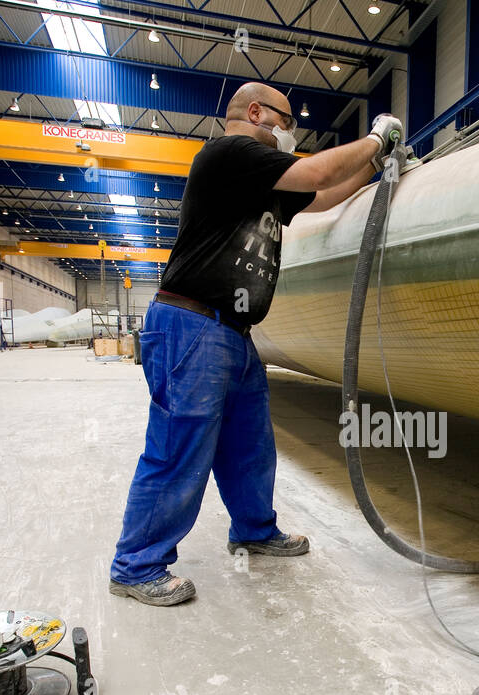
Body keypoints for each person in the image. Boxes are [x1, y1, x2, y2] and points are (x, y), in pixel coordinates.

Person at [109, 82, 405, 606]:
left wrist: (374, 170)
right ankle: (136, 566)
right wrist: (377, 138)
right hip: (191, 323)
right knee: (179, 449)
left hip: (234, 333)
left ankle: (253, 530)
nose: (291, 133)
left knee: (249, 447)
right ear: (255, 113)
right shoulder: (229, 153)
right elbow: (315, 172)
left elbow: (321, 195)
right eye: (287, 121)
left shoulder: (260, 180)